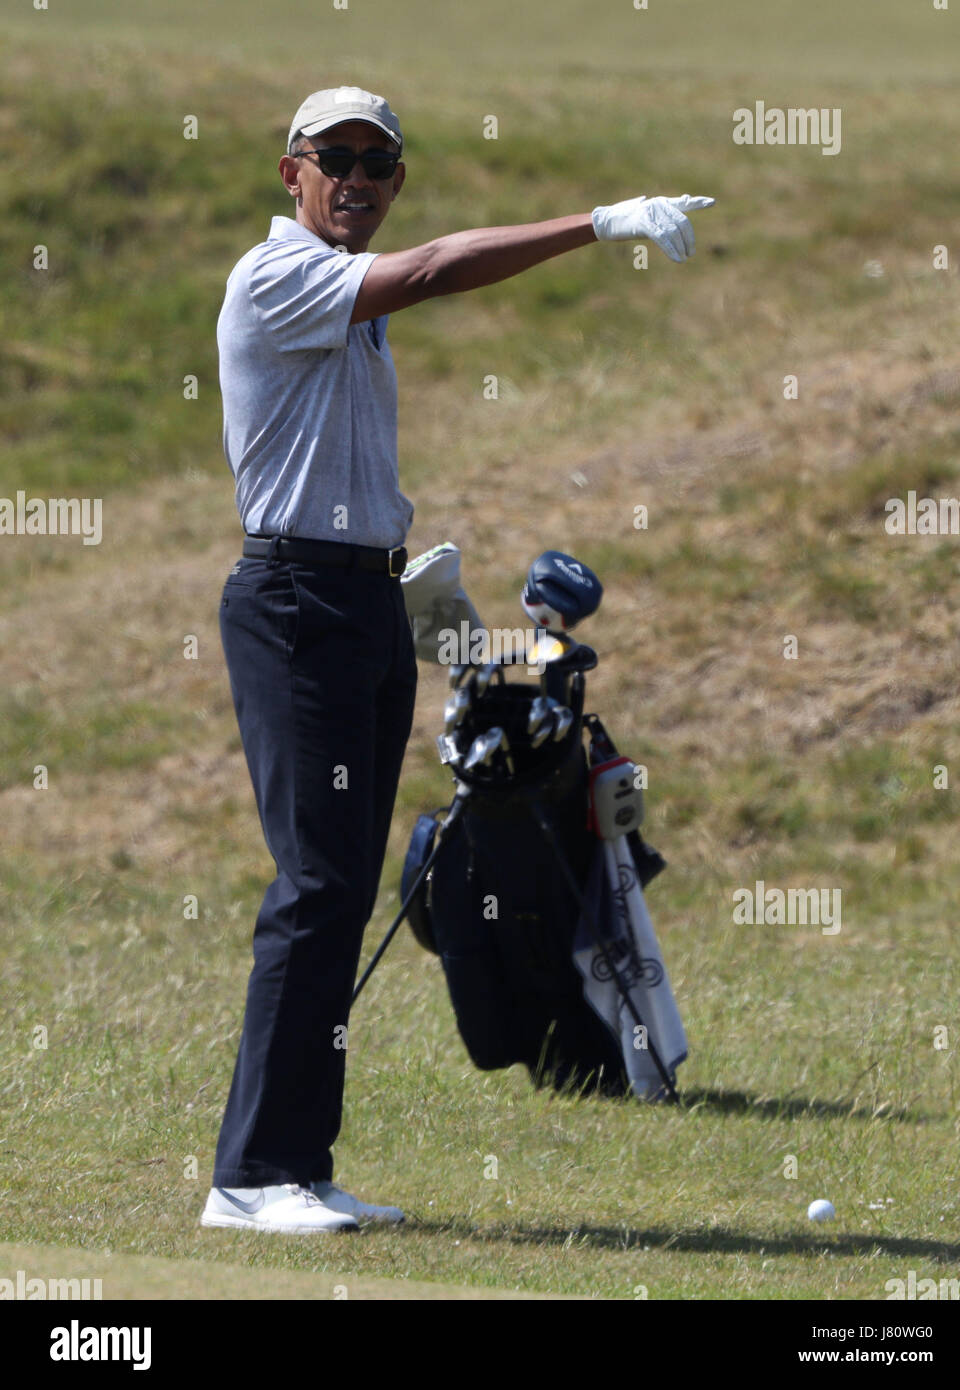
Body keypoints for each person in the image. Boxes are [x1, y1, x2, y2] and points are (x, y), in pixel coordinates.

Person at [201, 86, 714, 1234]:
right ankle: (249, 1176)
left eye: (379, 165)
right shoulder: (274, 275)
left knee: (334, 888)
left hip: (365, 601)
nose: (358, 181)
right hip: (295, 601)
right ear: (290, 170)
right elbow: (435, 270)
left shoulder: (348, 300)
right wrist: (599, 221)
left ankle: (295, 1165)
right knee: (316, 886)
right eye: (335, 158)